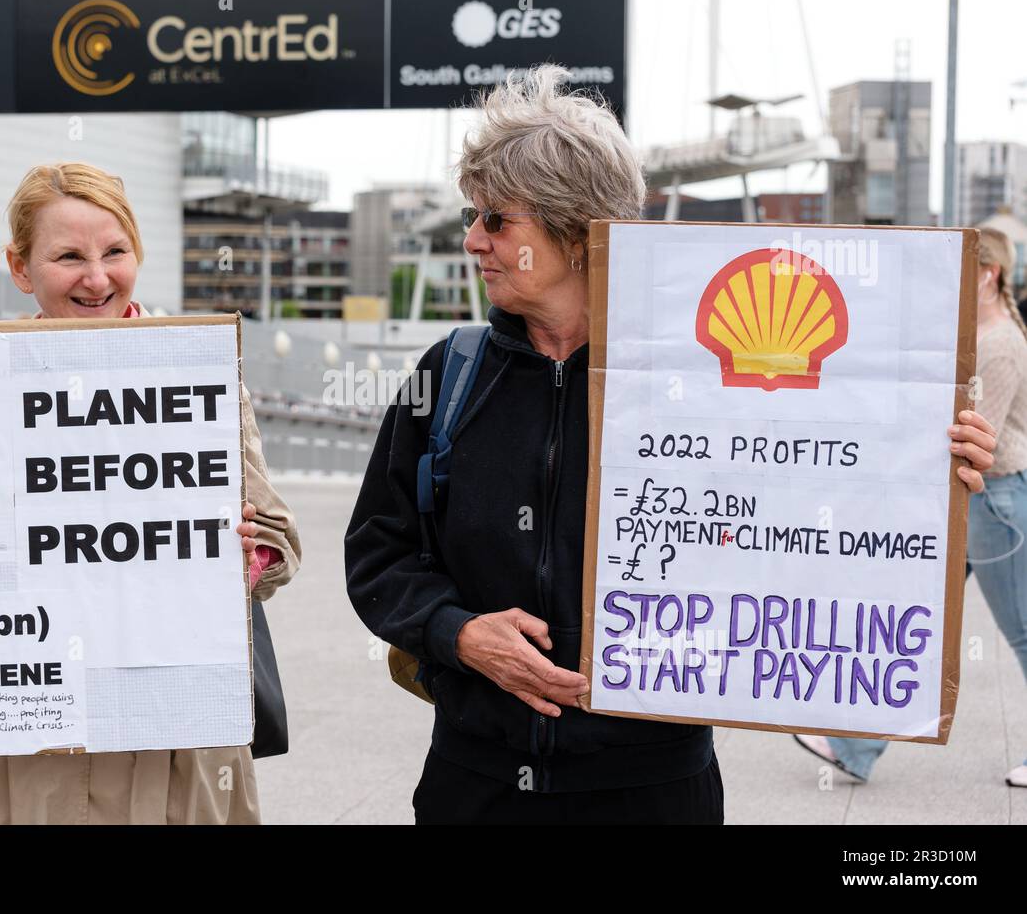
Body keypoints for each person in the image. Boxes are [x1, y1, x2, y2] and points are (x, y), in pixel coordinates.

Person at [345, 64, 999, 824]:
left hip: (654, 789)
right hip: (476, 782)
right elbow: (379, 552)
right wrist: (457, 633)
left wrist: (928, 472)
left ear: (571, 228)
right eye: (474, 215)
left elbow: (812, 513)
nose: (471, 240)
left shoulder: (706, 378)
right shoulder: (451, 375)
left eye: (496, 219)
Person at [0, 162, 302, 823]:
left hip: (164, 739)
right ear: (21, 268)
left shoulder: (196, 370)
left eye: (115, 251)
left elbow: (281, 539)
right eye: (68, 256)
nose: (97, 277)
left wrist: (242, 552)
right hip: (11, 750)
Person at [796, 227, 1025, 788]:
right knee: (920, 622)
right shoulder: (981, 333)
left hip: (991, 501)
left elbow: (979, 442)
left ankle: (856, 744)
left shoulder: (1001, 344)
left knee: (1021, 632)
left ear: (988, 274)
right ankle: (855, 746)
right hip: (971, 502)